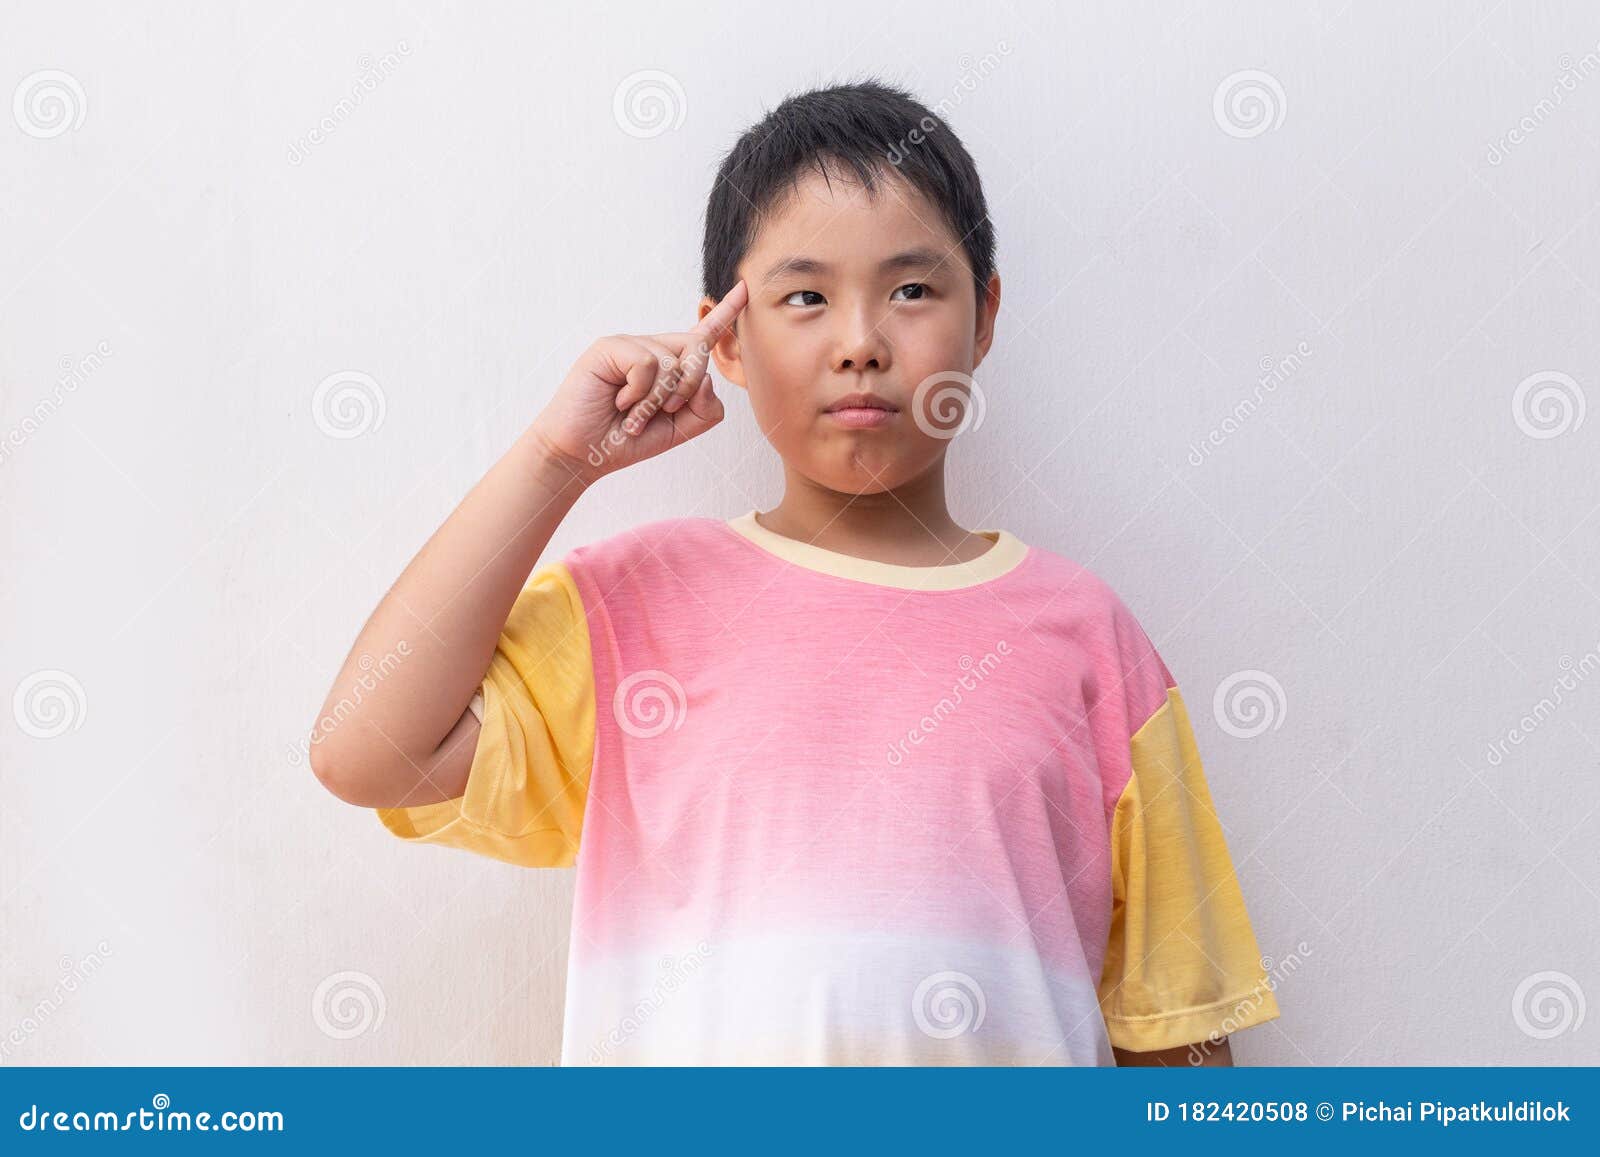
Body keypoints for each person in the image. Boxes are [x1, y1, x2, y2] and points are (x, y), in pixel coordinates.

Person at [309, 78, 1281, 1066]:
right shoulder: (631, 609)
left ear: (983, 315)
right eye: (804, 296)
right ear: (724, 336)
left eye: (910, 289)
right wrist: (559, 461)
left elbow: (1178, 1041)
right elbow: (365, 751)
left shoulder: (1087, 637)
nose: (859, 344)